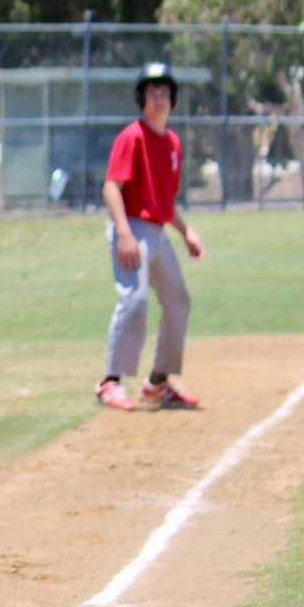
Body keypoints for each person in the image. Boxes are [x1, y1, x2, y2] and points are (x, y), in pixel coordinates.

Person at [96, 62, 205, 412]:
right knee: (135, 300)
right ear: (142, 98)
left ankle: (158, 383)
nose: (158, 98)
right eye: (151, 92)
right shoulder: (132, 137)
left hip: (157, 232)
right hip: (131, 228)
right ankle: (110, 382)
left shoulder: (172, 143)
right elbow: (112, 186)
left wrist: (186, 231)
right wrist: (124, 234)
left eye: (164, 92)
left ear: (172, 99)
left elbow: (165, 201)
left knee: (178, 301)